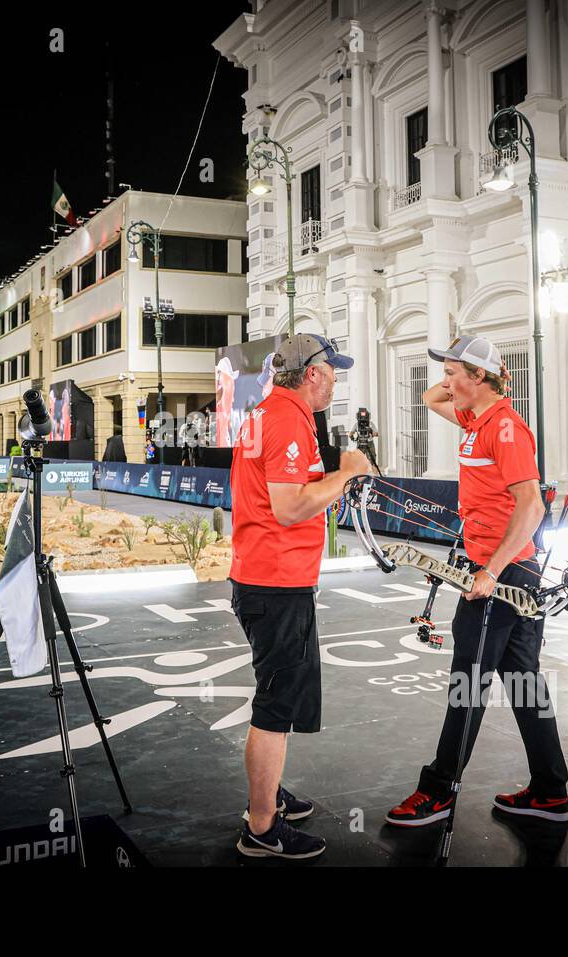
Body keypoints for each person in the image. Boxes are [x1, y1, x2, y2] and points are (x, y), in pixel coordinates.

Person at [387, 335, 568, 828]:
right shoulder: (477, 421)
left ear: (479, 377)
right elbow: (431, 400)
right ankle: (551, 791)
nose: (444, 383)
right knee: (524, 680)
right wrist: (464, 382)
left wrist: (489, 571)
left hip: (504, 572)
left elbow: (531, 505)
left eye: (453, 373)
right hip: (505, 569)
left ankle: (438, 791)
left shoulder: (505, 429)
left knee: (468, 680)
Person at [229, 333, 369, 860]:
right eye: (333, 372)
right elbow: (289, 508)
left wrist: (332, 474)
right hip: (275, 582)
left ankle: (267, 796)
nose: (336, 381)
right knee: (275, 704)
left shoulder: (268, 410)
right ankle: (261, 829)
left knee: (277, 696)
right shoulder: (288, 417)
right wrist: (347, 473)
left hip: (265, 577)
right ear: (312, 373)